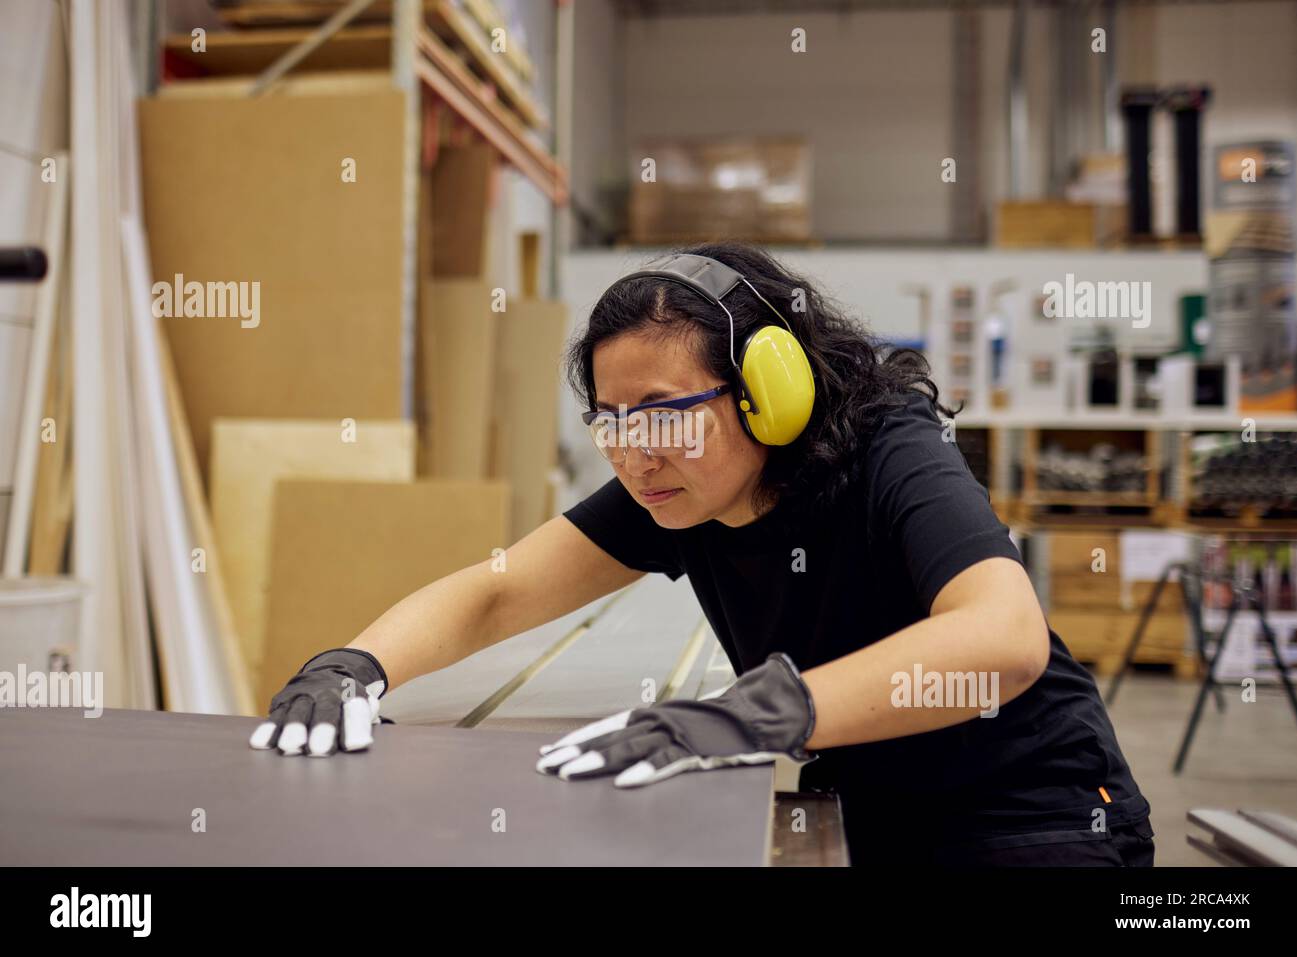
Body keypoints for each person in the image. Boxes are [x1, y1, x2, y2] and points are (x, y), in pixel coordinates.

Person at [251, 242, 1155, 868]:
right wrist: (354, 663)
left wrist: (744, 714)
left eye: (667, 411)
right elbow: (498, 593)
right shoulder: (676, 488)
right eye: (611, 419)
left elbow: (1003, 638)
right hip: (871, 812)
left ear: (772, 390)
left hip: (1034, 811)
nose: (636, 451)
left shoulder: (892, 452)